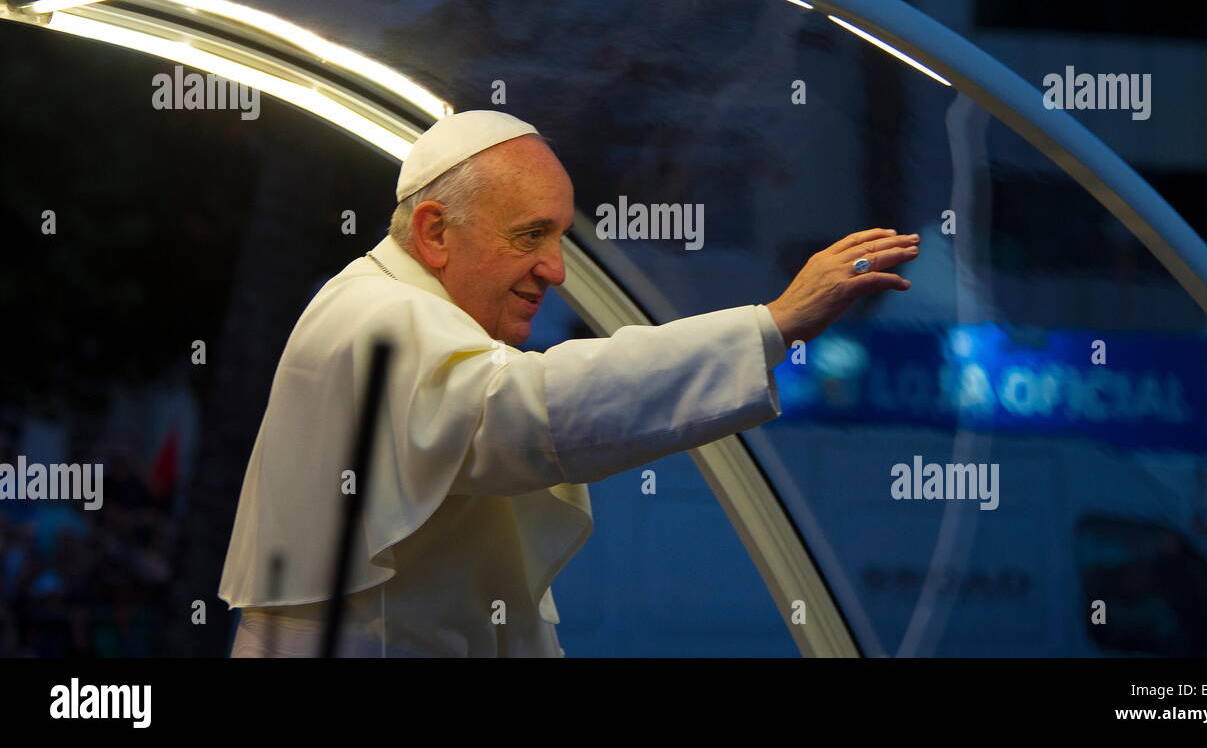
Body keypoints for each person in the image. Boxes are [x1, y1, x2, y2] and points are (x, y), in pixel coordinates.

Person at [219, 110, 920, 657]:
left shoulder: (401, 310)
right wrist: (773, 324)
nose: (555, 270)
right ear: (435, 233)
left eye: (560, 239)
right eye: (530, 236)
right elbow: (524, 411)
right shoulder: (381, 316)